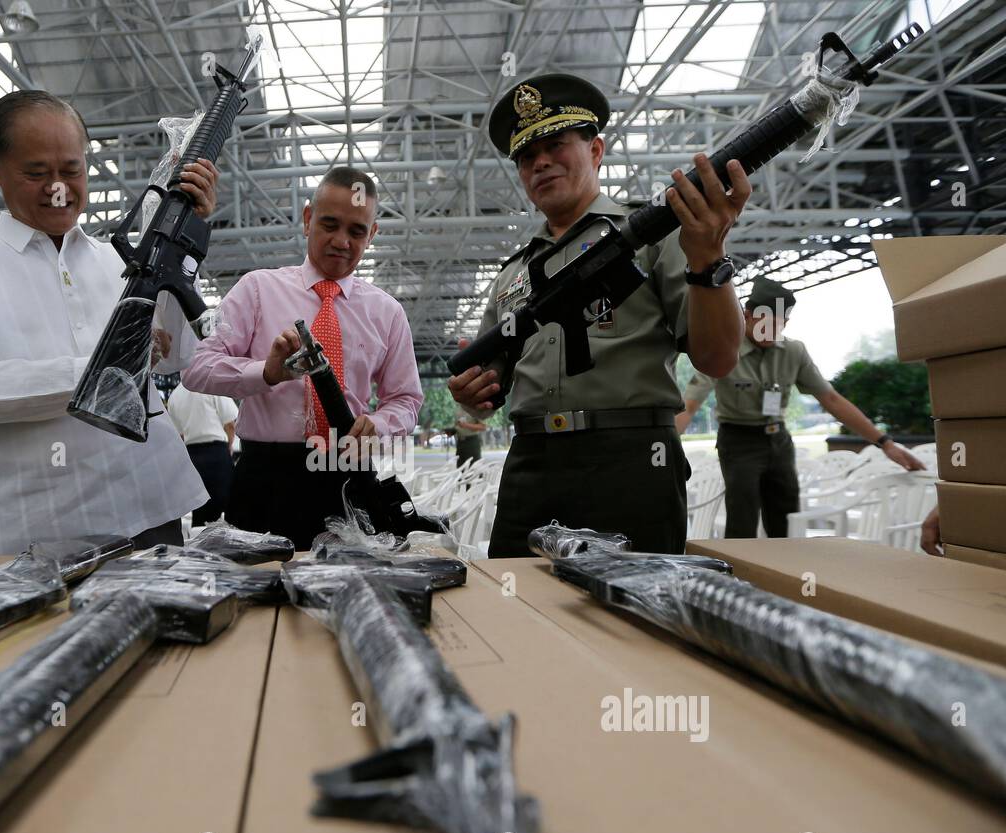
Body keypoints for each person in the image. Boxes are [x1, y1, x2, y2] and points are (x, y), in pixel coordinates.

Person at [448, 74, 750, 556]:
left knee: (635, 601)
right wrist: (472, 397)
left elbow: (717, 358)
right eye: (526, 157)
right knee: (517, 598)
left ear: (595, 150)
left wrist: (709, 259)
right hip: (531, 463)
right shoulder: (512, 275)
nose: (540, 162)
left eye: (555, 144)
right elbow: (486, 389)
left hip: (632, 460)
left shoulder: (655, 234)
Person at [0, 90, 216, 554]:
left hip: (151, 508)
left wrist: (182, 251)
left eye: (72, 170)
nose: (57, 188)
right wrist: (99, 371)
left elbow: (176, 356)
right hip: (41, 530)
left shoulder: (119, 260)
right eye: (36, 173)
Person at [183, 166, 423, 549]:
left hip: (348, 476)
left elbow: (406, 399)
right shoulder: (257, 290)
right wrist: (266, 373)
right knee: (258, 583)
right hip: (265, 479)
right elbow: (197, 368)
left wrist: (379, 425)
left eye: (356, 231)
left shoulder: (387, 313)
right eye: (330, 224)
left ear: (372, 234)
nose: (341, 241)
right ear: (308, 218)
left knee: (350, 583)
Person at [676, 276, 925, 538]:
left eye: (778, 325)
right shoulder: (725, 351)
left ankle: (786, 563)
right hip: (739, 442)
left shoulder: (794, 352)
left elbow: (831, 399)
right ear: (747, 316)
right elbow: (689, 405)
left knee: (786, 519)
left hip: (779, 442)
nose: (771, 332)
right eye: (765, 324)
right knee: (742, 518)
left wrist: (885, 443)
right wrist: (671, 444)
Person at [167, 382, 237, 526]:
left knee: (199, 509)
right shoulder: (211, 385)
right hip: (217, 453)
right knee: (224, 507)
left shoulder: (174, 396)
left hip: (192, 456)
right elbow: (230, 424)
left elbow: (179, 435)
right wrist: (229, 448)